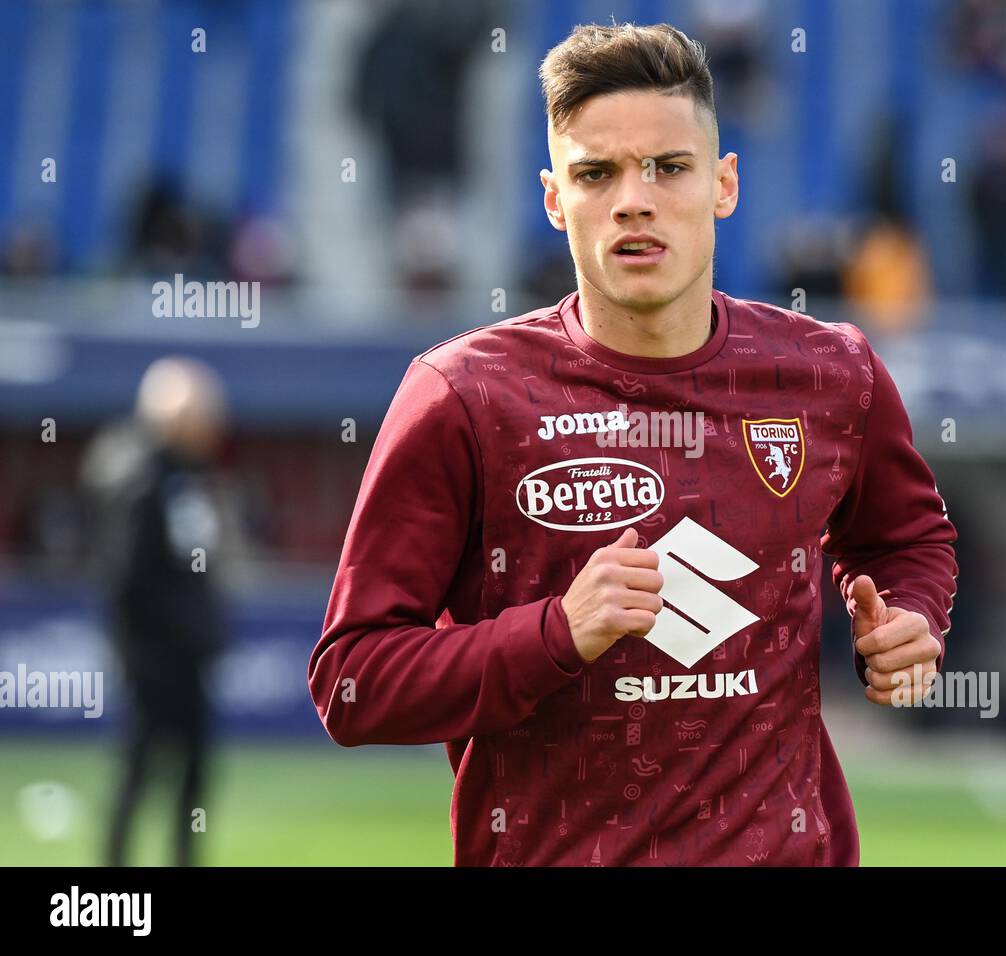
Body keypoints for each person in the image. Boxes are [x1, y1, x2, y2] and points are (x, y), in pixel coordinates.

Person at [309, 22, 958, 866]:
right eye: (596, 173)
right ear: (553, 199)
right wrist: (555, 633)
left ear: (725, 184)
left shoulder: (831, 373)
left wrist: (910, 615)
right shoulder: (462, 395)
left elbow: (908, 537)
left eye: (669, 168)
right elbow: (353, 684)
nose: (633, 200)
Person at [80, 357, 228, 866]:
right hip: (154, 658)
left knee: (190, 775)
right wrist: (144, 650)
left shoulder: (183, 476)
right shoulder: (142, 477)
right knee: (138, 771)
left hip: (185, 656)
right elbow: (127, 577)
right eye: (204, 412)